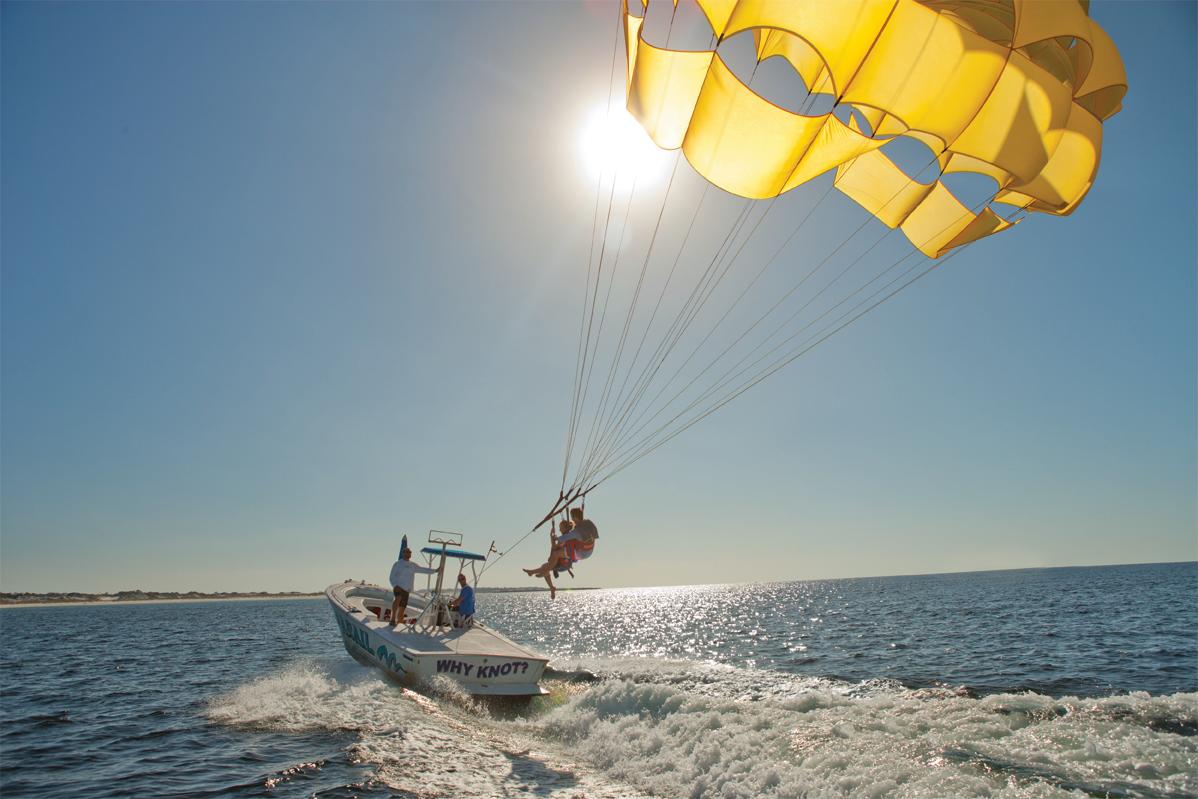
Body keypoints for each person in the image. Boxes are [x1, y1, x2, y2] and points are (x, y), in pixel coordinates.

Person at [523, 519, 573, 599]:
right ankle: (552, 588)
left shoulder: (566, 538)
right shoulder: (563, 538)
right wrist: (551, 537)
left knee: (545, 568)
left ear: (565, 528)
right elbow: (554, 547)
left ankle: (532, 572)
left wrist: (554, 538)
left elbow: (556, 548)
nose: (559, 529)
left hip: (564, 564)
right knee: (545, 567)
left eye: (561, 527)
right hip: (561, 563)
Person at [389, 547, 437, 628]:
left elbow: (423, 570)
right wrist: (394, 585)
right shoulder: (397, 564)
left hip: (407, 589)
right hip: (398, 587)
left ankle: (399, 622)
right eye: (406, 552)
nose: (408, 553)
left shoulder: (412, 565)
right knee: (397, 598)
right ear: (403, 553)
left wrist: (435, 571)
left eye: (409, 552)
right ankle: (392, 619)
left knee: (402, 607)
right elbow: (391, 576)